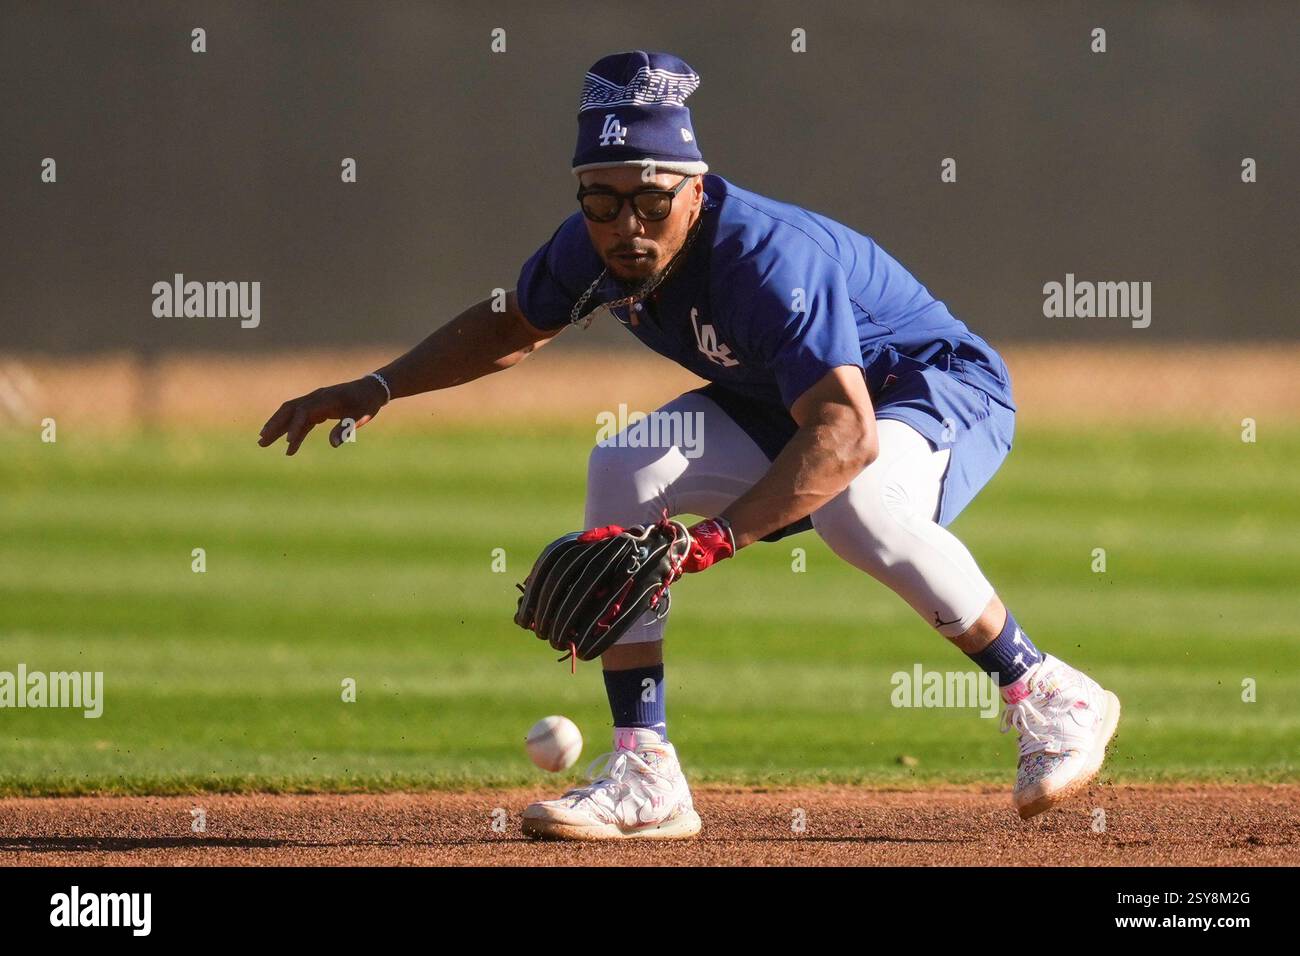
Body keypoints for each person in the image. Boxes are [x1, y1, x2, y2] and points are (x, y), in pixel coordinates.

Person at [258, 51, 1120, 841]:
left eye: (650, 199)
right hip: (780, 403)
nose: (626, 223)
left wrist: (715, 538)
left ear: (695, 188)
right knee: (625, 464)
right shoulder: (592, 249)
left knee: (858, 503)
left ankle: (1046, 690)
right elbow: (512, 324)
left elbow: (847, 433)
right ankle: (646, 770)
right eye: (601, 200)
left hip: (928, 389)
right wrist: (378, 386)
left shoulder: (766, 259)